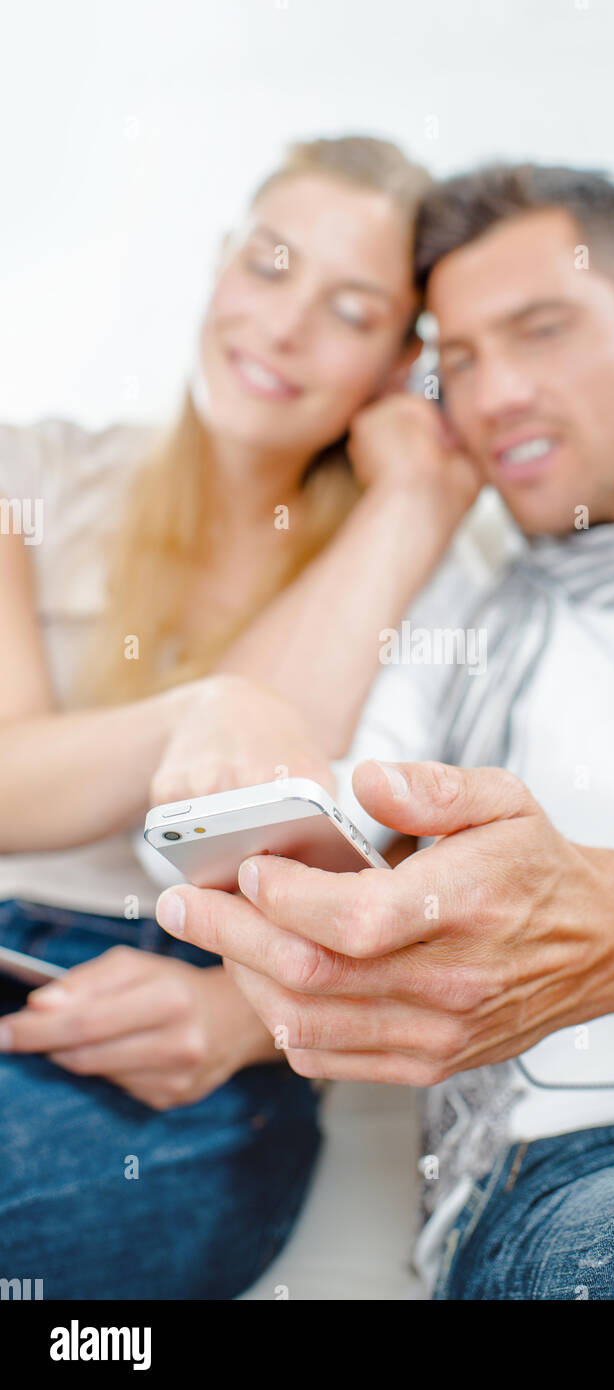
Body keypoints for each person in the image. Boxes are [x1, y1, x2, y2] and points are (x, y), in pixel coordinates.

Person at [156, 164, 614, 1300]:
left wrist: (606, 924)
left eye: (541, 330)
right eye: (461, 362)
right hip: (604, 1170)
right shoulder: (456, 616)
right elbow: (246, 782)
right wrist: (413, 496)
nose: (494, 398)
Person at [0, 136, 480, 1299]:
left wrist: (414, 500)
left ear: (401, 364)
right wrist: (205, 707)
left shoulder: (447, 572)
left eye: (350, 311)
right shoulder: (31, 472)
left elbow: (433, 901)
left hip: (208, 1011)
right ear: (221, 262)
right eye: (268, 264)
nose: (284, 326)